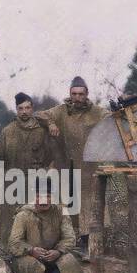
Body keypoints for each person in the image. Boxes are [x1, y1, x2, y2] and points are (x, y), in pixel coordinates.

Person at [41, 77, 105, 254]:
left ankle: (86, 241)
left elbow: (111, 118)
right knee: (66, 203)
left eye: (81, 94)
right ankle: (66, 240)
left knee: (87, 204)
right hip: (65, 166)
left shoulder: (96, 112)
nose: (77, 98)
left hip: (88, 166)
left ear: (87, 94)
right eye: (74, 94)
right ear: (70, 94)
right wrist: (51, 123)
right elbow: (42, 114)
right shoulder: (62, 110)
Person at [8, 187, 91, 273]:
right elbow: (14, 243)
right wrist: (31, 250)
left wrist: (58, 251)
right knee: (31, 265)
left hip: (54, 254)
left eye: (47, 196)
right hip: (30, 256)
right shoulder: (23, 215)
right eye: (39, 196)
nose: (43, 200)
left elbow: (69, 238)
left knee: (68, 262)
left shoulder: (61, 212)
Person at [0, 92, 57, 242]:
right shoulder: (8, 131)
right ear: (16, 109)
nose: (24, 112)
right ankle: (8, 249)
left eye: (27, 108)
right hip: (13, 181)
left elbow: (51, 156)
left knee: (35, 217)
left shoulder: (41, 131)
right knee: (9, 219)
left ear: (32, 108)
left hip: (36, 182)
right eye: (21, 108)